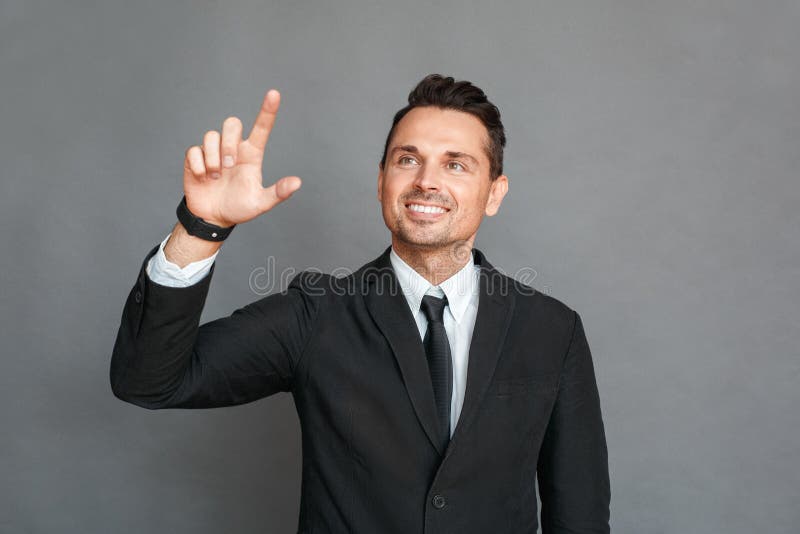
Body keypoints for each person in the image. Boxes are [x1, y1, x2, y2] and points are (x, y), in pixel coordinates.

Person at [110, 74, 611, 533]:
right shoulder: (315, 314)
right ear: (381, 180)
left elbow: (580, 514)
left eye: (455, 164)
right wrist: (201, 227)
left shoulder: (552, 330)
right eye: (407, 159)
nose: (426, 182)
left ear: (494, 193)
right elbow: (150, 381)